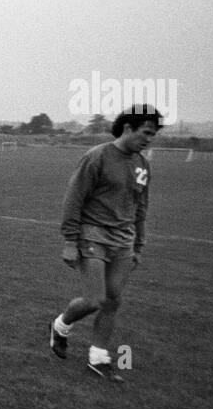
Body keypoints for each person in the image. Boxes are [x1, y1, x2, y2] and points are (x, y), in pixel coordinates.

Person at [48, 104, 160, 382]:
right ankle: (61, 326)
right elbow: (74, 199)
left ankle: (98, 358)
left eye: (153, 135)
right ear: (127, 128)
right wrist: (70, 241)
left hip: (123, 240)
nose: (148, 139)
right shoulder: (96, 157)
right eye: (145, 132)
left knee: (113, 301)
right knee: (93, 299)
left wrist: (138, 245)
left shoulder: (142, 165)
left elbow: (141, 206)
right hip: (92, 234)